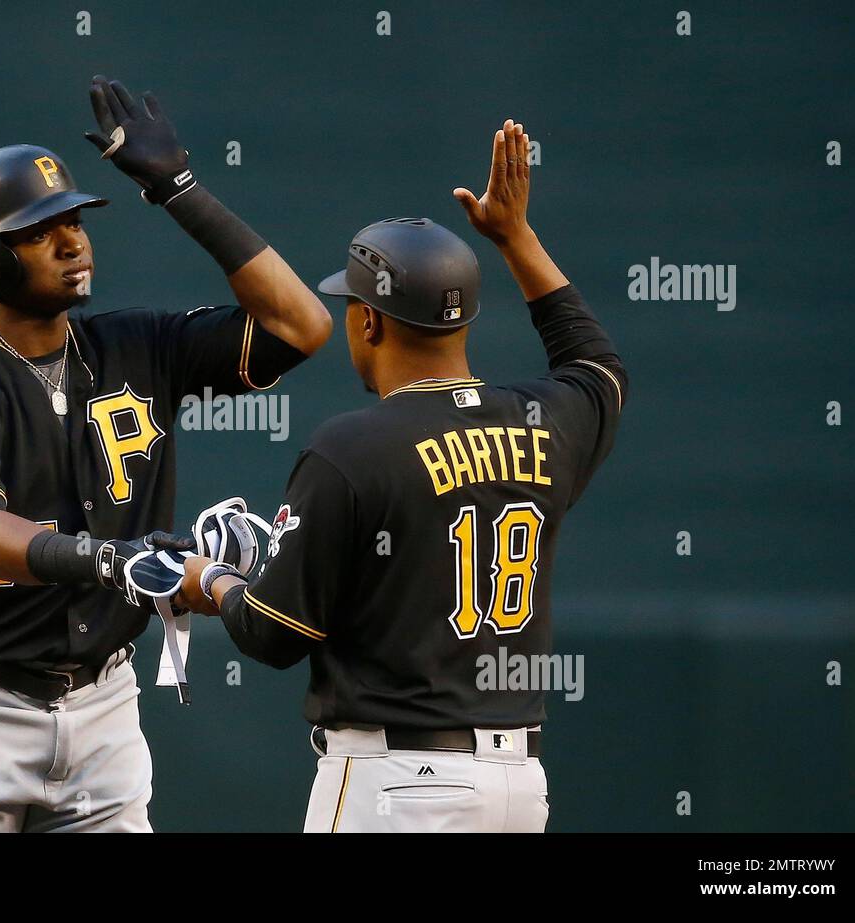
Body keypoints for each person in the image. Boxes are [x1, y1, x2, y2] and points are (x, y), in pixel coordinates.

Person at [0, 76, 331, 833]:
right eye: (42, 230)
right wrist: (111, 559)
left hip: (102, 706)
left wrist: (179, 189)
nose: (74, 240)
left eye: (75, 220)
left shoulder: (140, 345)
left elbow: (301, 324)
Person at [178, 119, 627, 833]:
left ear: (370, 323)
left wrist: (211, 578)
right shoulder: (548, 423)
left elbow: (272, 633)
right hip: (517, 785)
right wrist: (516, 237)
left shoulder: (351, 448)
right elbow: (597, 365)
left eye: (351, 304)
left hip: (397, 784)